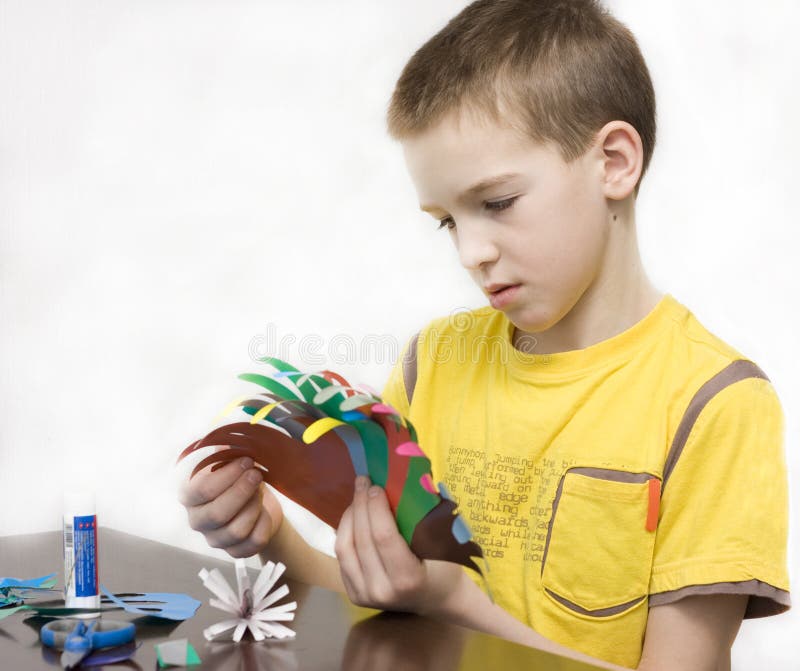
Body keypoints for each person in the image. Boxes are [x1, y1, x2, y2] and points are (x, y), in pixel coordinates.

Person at [179, 1, 791, 668]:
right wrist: (272, 538)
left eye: (496, 203)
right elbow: (383, 604)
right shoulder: (434, 362)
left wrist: (459, 602)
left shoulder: (713, 402)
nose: (471, 251)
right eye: (447, 220)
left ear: (614, 161)